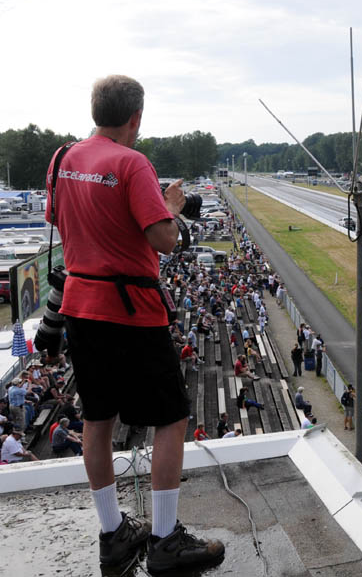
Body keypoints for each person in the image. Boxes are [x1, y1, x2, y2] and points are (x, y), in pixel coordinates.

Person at [45, 76, 223, 570]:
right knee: (171, 416)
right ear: (136, 119)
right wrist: (169, 207)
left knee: (97, 421)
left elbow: (66, 223)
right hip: (130, 309)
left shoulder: (61, 160)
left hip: (81, 307)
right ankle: (166, 539)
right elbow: (165, 239)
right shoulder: (133, 163)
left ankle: (113, 534)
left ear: (96, 110)